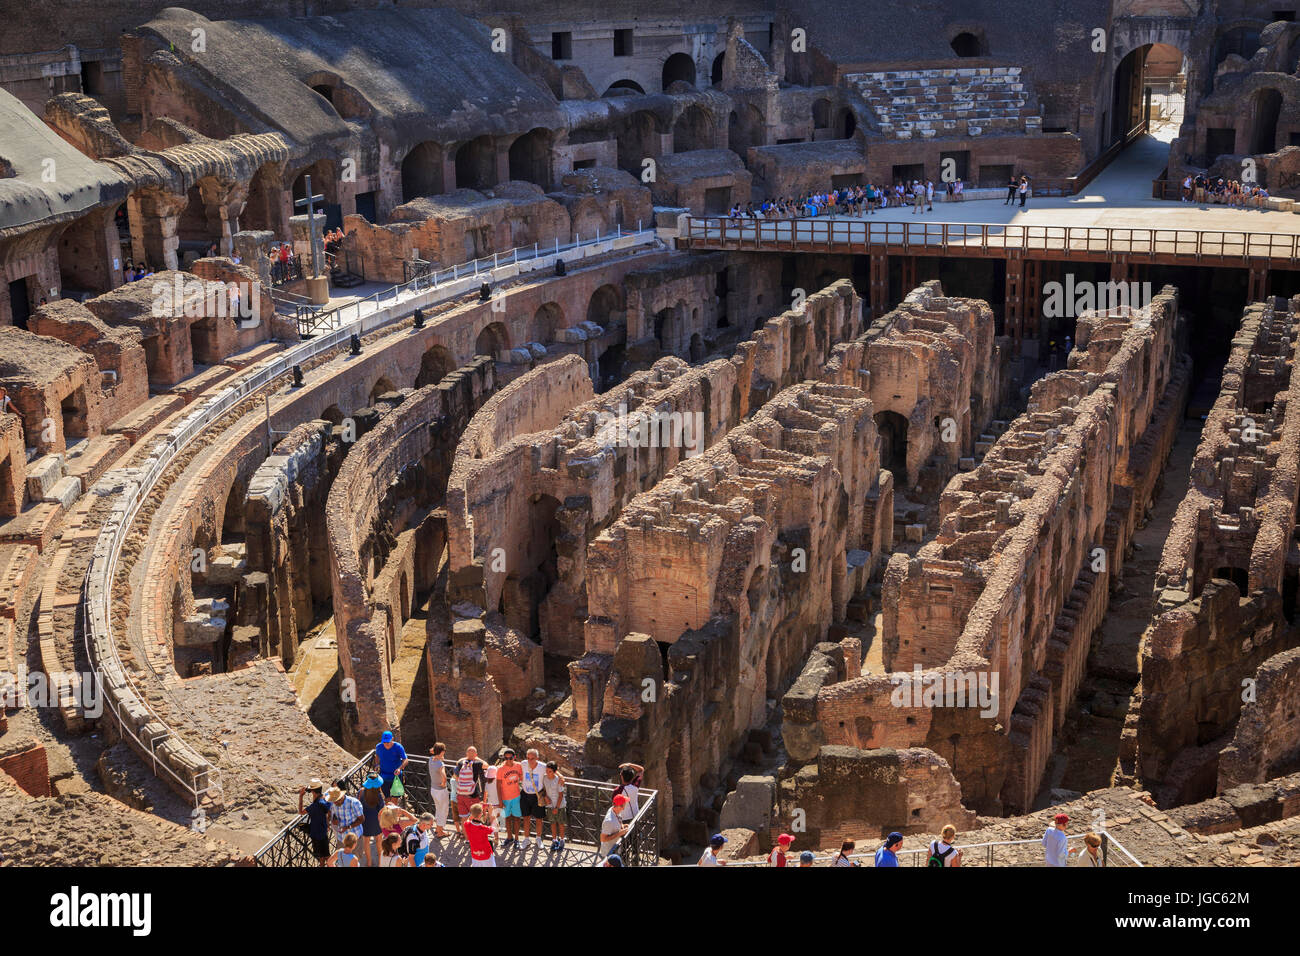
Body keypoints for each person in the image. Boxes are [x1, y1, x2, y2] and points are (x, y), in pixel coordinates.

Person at [297, 778, 332, 866]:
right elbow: (329, 812)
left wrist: (301, 796)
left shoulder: (315, 806)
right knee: (324, 856)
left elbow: (300, 812)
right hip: (323, 831)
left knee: (325, 857)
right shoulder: (325, 797)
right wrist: (328, 824)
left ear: (312, 791)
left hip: (317, 833)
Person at [519, 748, 548, 849]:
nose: (530, 760)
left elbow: (553, 771)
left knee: (539, 818)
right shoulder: (523, 763)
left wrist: (561, 777)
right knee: (526, 817)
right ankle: (526, 839)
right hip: (525, 794)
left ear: (537, 758)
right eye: (528, 758)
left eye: (532, 758)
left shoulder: (542, 767)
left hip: (537, 796)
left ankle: (538, 838)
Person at [496, 748, 524, 847]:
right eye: (506, 758)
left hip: (516, 796)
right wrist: (500, 801)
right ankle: (509, 837)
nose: (508, 760)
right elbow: (498, 786)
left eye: (510, 758)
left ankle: (516, 839)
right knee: (507, 818)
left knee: (517, 818)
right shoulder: (500, 769)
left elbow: (522, 776)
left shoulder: (519, 766)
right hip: (505, 798)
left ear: (514, 757)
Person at [454, 746, 487, 827]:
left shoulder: (462, 763)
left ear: (466, 754)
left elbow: (457, 762)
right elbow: (486, 765)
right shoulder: (476, 764)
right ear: (476, 754)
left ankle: (465, 836)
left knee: (464, 818)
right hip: (472, 795)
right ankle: (473, 834)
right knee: (476, 815)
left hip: (460, 794)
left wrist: (467, 757)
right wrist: (477, 758)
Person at [327, 785, 364, 852]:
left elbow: (361, 819)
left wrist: (348, 827)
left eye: (336, 801)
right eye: (333, 801)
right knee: (343, 860)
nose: (334, 803)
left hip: (355, 838)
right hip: (341, 839)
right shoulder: (333, 803)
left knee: (355, 860)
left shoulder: (354, 803)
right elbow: (331, 814)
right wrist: (333, 820)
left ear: (341, 797)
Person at [540, 761, 567, 852]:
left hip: (560, 806)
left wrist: (556, 807)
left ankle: (562, 840)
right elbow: (543, 790)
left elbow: (561, 795)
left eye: (550, 771)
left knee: (561, 823)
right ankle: (554, 840)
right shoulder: (544, 778)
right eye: (546, 771)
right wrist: (545, 796)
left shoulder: (558, 780)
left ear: (554, 772)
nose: (547, 773)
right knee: (552, 823)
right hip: (549, 805)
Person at [359, 774, 385, 866]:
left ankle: (369, 862)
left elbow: (359, 805)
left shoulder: (361, 792)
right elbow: (382, 810)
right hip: (376, 820)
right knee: (379, 840)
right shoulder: (379, 795)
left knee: (366, 841)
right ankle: (380, 861)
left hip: (365, 820)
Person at [373, 730, 408, 797]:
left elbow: (405, 760)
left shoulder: (398, 747)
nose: (386, 743)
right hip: (383, 776)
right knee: (386, 797)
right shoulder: (379, 747)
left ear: (392, 739)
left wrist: (399, 768)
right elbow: (377, 756)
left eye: (388, 741)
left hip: (396, 777)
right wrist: (377, 764)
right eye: (384, 742)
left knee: (395, 798)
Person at [428, 742, 451, 837]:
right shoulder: (440, 764)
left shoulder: (431, 759)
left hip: (433, 789)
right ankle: (440, 832)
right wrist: (444, 782)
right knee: (444, 810)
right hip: (441, 791)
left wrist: (440, 756)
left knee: (438, 808)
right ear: (441, 752)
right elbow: (444, 775)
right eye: (444, 751)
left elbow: (432, 751)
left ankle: (438, 828)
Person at [464, 802, 497, 866]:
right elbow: (496, 827)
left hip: (475, 855)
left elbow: (469, 819)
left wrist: (476, 810)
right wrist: (491, 813)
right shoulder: (484, 828)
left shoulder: (467, 825)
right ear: (480, 814)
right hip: (486, 855)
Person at [599, 793, 630, 858]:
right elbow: (603, 839)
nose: (625, 807)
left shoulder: (614, 810)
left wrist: (623, 826)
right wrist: (619, 833)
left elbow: (618, 822)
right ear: (620, 806)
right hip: (608, 854)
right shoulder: (609, 821)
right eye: (624, 804)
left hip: (615, 850)